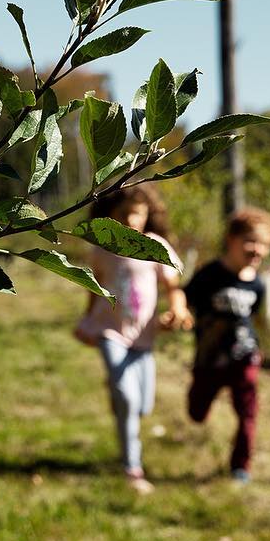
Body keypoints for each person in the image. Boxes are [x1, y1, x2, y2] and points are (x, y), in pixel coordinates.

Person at [74, 186, 191, 494]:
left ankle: (118, 390)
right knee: (128, 399)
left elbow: (173, 285)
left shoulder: (155, 246)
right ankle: (132, 467)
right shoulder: (102, 248)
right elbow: (93, 286)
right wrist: (86, 321)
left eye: (136, 214)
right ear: (109, 216)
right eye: (123, 214)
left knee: (143, 406)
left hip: (144, 335)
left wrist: (178, 310)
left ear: (147, 216)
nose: (129, 221)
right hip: (109, 331)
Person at [183, 207, 270, 484]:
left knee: (249, 412)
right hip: (210, 358)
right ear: (231, 240)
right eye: (252, 241)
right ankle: (203, 403)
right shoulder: (209, 275)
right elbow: (186, 300)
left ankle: (241, 466)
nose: (258, 250)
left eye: (265, 244)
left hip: (244, 355)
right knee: (196, 413)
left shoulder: (258, 284)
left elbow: (253, 316)